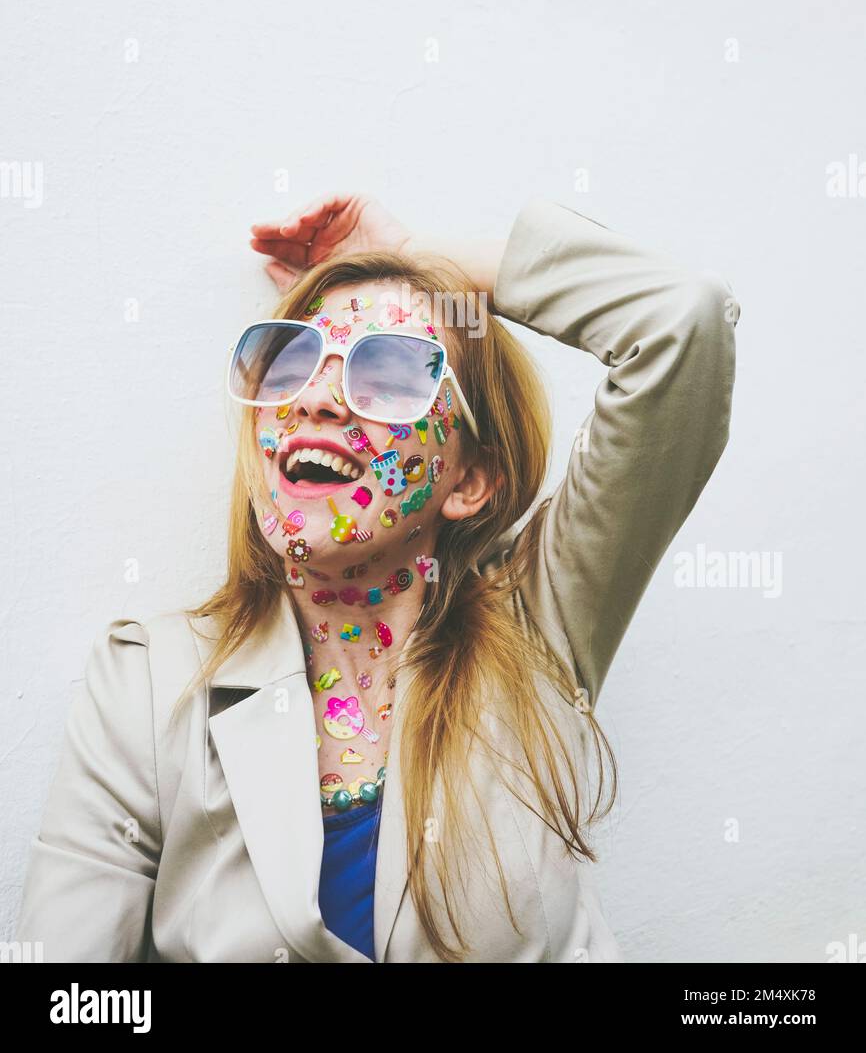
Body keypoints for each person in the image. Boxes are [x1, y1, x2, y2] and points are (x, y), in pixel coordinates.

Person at [14, 192, 738, 963]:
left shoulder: (540, 629)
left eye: (390, 374)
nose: (317, 398)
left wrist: (421, 261)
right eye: (291, 363)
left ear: (470, 481)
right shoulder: (146, 688)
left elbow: (681, 325)